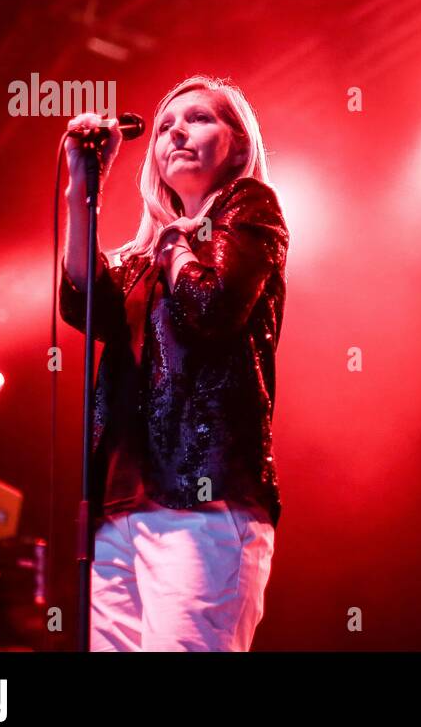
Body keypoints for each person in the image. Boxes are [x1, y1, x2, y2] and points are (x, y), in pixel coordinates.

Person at [60, 74, 289, 651]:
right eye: (164, 126)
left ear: (238, 144)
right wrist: (81, 188)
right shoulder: (145, 255)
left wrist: (177, 249)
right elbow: (81, 299)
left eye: (199, 118)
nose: (176, 132)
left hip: (202, 498)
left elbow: (209, 305)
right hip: (119, 505)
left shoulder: (251, 208)